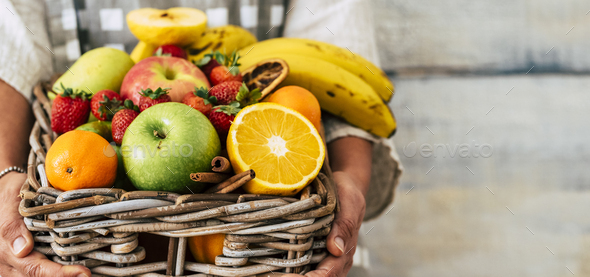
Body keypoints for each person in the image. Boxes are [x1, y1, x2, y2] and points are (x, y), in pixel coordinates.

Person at [0, 0, 402, 276]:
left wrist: (347, 173)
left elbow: (338, 37)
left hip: (271, 241)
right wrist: (4, 171)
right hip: (78, 230)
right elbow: (10, 42)